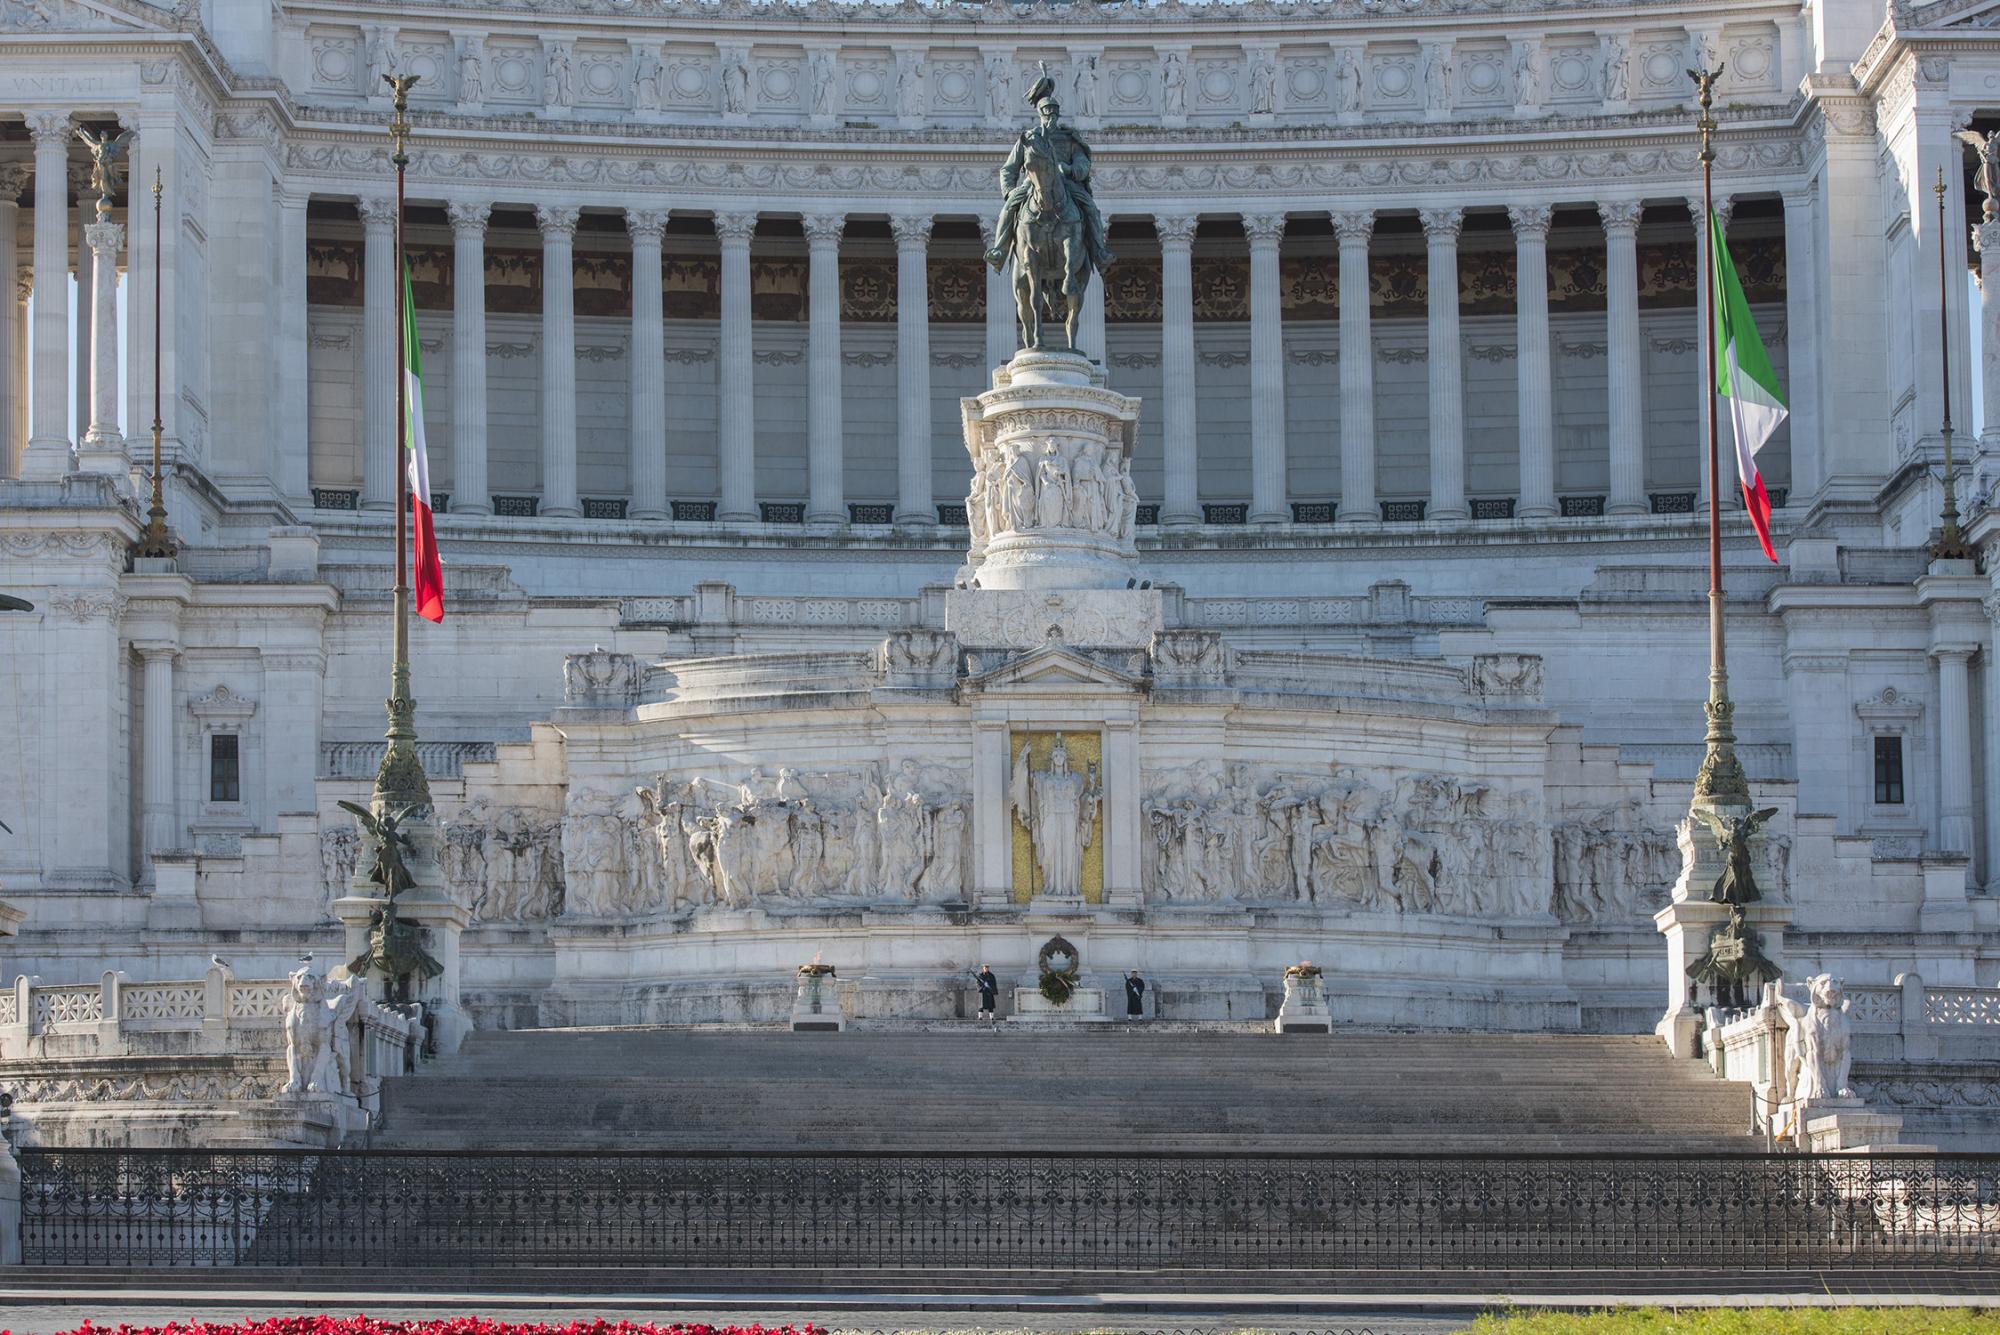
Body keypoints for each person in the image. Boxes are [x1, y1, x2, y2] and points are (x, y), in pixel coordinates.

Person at [976, 964, 999, 1029]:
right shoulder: (980, 975)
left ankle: (991, 1017)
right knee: (981, 1006)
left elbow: (994, 983)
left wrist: (989, 986)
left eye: (987, 968)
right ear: (983, 968)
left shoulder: (991, 976)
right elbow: (978, 984)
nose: (986, 969)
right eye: (985, 968)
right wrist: (983, 987)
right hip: (983, 991)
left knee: (990, 1006)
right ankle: (980, 1017)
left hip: (989, 992)